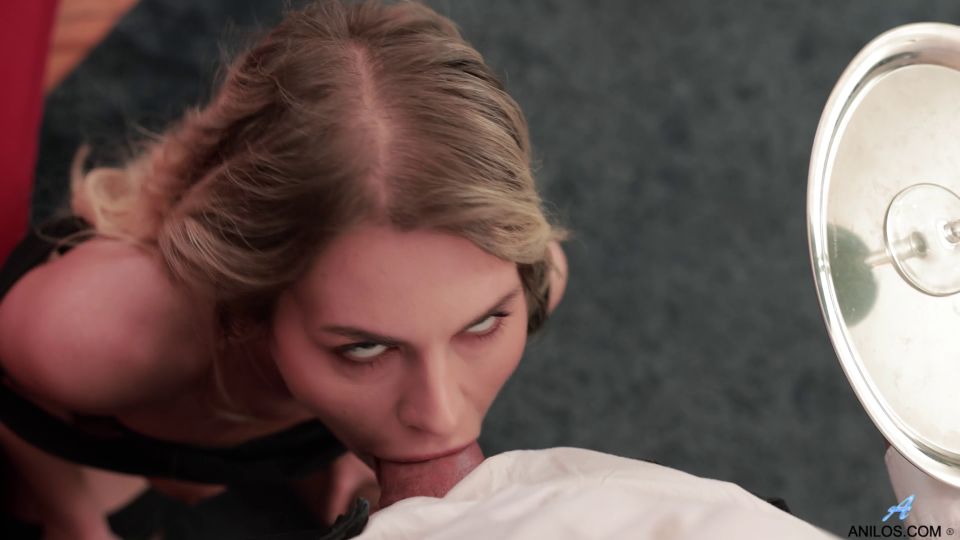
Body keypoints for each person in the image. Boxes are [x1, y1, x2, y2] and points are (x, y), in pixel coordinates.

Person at [0, 1, 570, 538]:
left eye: (481, 325)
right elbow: (18, 409)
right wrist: (73, 523)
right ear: (248, 301)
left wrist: (346, 448)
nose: (443, 418)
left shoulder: (532, 279)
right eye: (364, 349)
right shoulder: (83, 338)